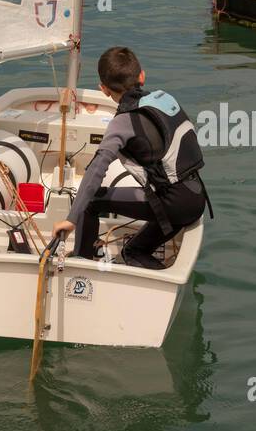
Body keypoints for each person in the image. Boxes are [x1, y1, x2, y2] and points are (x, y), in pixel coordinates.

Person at [52, 46, 209, 270]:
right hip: (196, 198)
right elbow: (153, 148)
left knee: (92, 202)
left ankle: (81, 265)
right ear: (142, 76)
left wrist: (71, 220)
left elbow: (96, 170)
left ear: (104, 90)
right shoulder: (164, 99)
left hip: (172, 205)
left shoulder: (121, 123)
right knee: (133, 251)